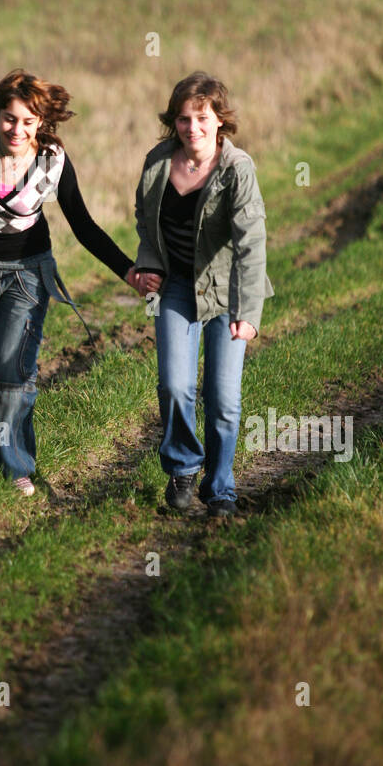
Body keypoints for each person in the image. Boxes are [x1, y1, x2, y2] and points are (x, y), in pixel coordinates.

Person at [0, 70, 142, 496]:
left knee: (10, 373)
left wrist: (126, 270)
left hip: (28, 273)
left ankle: (14, 463)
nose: (17, 129)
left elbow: (83, 225)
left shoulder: (52, 159)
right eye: (9, 119)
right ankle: (5, 416)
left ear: (41, 123)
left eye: (28, 121)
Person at [133, 71, 273, 517]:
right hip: (176, 286)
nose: (192, 128)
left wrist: (248, 311)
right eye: (183, 119)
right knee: (175, 385)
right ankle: (182, 467)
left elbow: (252, 243)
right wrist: (150, 263)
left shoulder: (237, 169)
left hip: (228, 289)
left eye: (201, 118)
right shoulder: (157, 162)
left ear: (219, 121)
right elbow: (145, 219)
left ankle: (221, 490)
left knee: (224, 400)